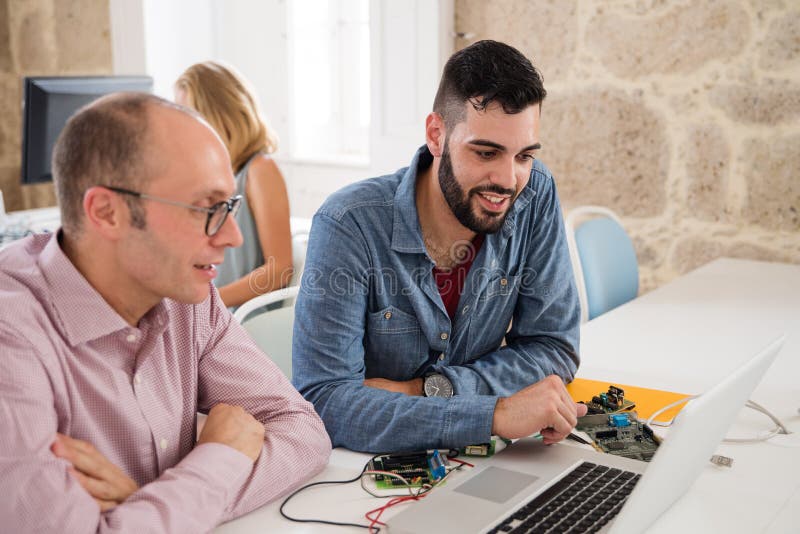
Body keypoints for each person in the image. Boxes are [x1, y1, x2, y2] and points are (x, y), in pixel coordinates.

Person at [0, 92, 331, 532]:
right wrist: (218, 460)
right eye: (207, 208)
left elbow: (303, 431)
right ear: (107, 212)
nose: (232, 236)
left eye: (228, 206)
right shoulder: (12, 338)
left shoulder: (185, 296)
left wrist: (149, 502)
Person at [292, 40, 587, 453]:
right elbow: (324, 402)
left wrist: (428, 389)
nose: (507, 180)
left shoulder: (534, 193)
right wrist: (493, 415)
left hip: (485, 463)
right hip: (368, 476)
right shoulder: (348, 224)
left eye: (523, 156)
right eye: (486, 152)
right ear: (436, 134)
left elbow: (553, 345)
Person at [175, 61, 292, 308]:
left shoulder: (260, 170)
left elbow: (279, 269)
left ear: (217, 114)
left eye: (189, 115)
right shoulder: (214, 174)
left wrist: (209, 303)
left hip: (242, 319)